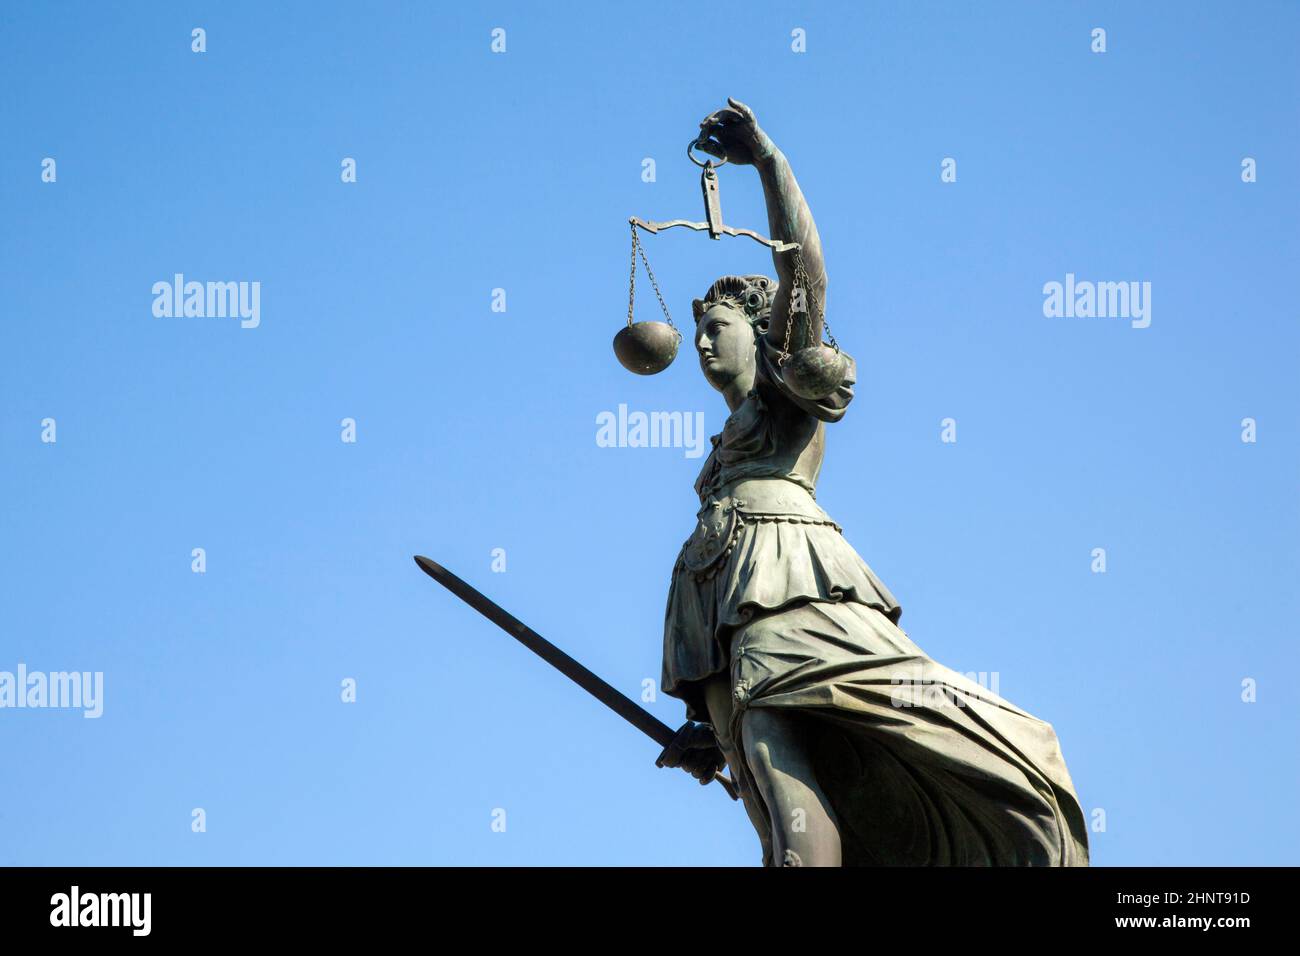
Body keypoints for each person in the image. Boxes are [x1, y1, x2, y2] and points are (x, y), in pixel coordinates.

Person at [654, 99, 1090, 867]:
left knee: (793, 822)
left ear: (759, 331)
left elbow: (805, 272)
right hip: (728, 626)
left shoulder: (788, 397)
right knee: (772, 802)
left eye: (714, 326)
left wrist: (768, 162)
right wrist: (706, 728)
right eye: (695, 328)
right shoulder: (721, 449)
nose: (697, 342)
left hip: (790, 594)